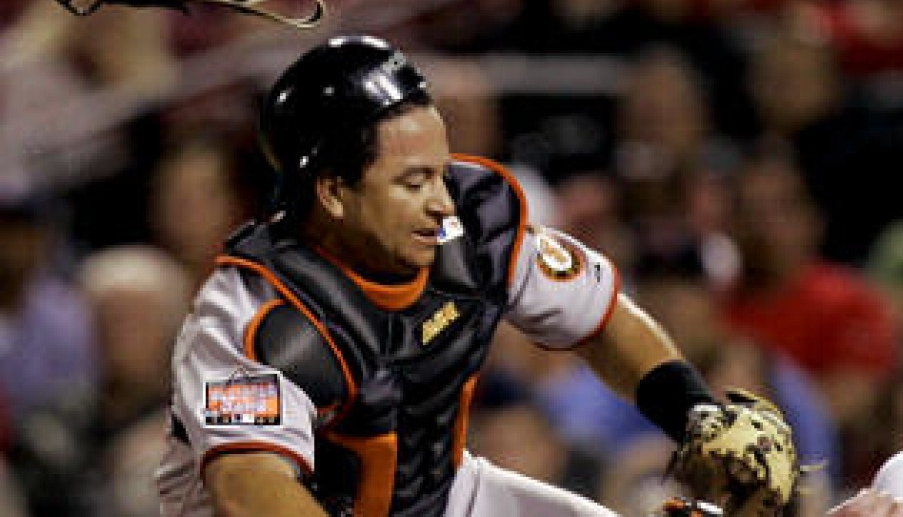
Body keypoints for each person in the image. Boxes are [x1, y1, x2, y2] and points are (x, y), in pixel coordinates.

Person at [155, 35, 795, 517]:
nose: (442, 198)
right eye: (412, 182)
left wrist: (695, 413)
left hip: (440, 495)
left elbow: (599, 318)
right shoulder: (255, 316)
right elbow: (251, 486)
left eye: (439, 167)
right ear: (333, 193)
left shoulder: (473, 221)